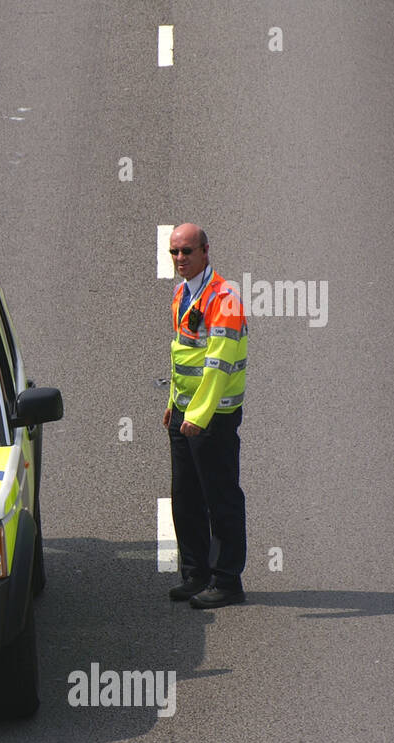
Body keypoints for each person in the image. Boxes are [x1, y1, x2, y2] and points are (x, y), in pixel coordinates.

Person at [161, 223, 248, 609]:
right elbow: (181, 355)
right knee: (186, 496)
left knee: (221, 497)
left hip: (212, 416)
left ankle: (227, 580)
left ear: (206, 251)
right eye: (175, 253)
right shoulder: (182, 292)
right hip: (185, 412)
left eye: (187, 252)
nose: (180, 259)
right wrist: (173, 403)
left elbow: (218, 363)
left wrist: (198, 414)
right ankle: (195, 573)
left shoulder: (225, 298)